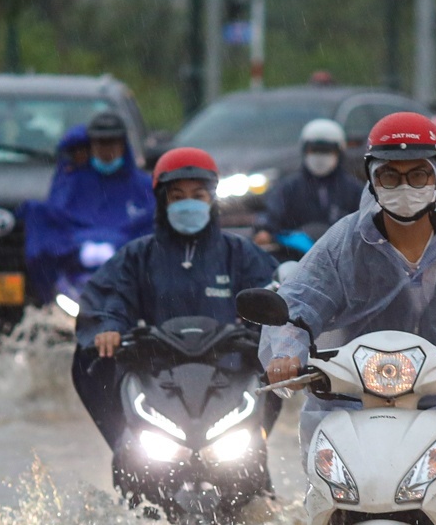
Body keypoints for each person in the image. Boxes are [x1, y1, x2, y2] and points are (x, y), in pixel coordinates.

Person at [261, 112, 436, 508]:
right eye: (391, 175)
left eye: (418, 174)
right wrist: (286, 352)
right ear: (371, 178)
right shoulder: (343, 242)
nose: (404, 186)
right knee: (330, 504)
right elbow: (299, 304)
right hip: (352, 400)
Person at [72, 146, 280, 454]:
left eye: (198, 195)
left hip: (228, 373)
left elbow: (271, 298)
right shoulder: (138, 255)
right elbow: (112, 295)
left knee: (280, 358)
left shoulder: (240, 253)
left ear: (212, 200)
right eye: (178, 196)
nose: (189, 205)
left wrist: (272, 334)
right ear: (162, 201)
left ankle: (258, 440)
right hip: (157, 375)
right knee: (87, 359)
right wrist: (110, 326)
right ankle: (123, 445)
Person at [21, 111, 155, 305]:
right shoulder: (73, 182)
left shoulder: (143, 186)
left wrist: (117, 247)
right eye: (100, 143)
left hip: (130, 280)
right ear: (91, 145)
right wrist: (79, 247)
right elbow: (57, 221)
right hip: (75, 280)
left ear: (123, 144)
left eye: (113, 143)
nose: (107, 150)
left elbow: (151, 228)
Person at [258, 118, 357, 253]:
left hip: (342, 258)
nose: (320, 156)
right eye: (314, 150)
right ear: (304, 150)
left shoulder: (353, 189)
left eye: (327, 150)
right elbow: (270, 216)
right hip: (296, 258)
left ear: (340, 151)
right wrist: (264, 230)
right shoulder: (288, 188)